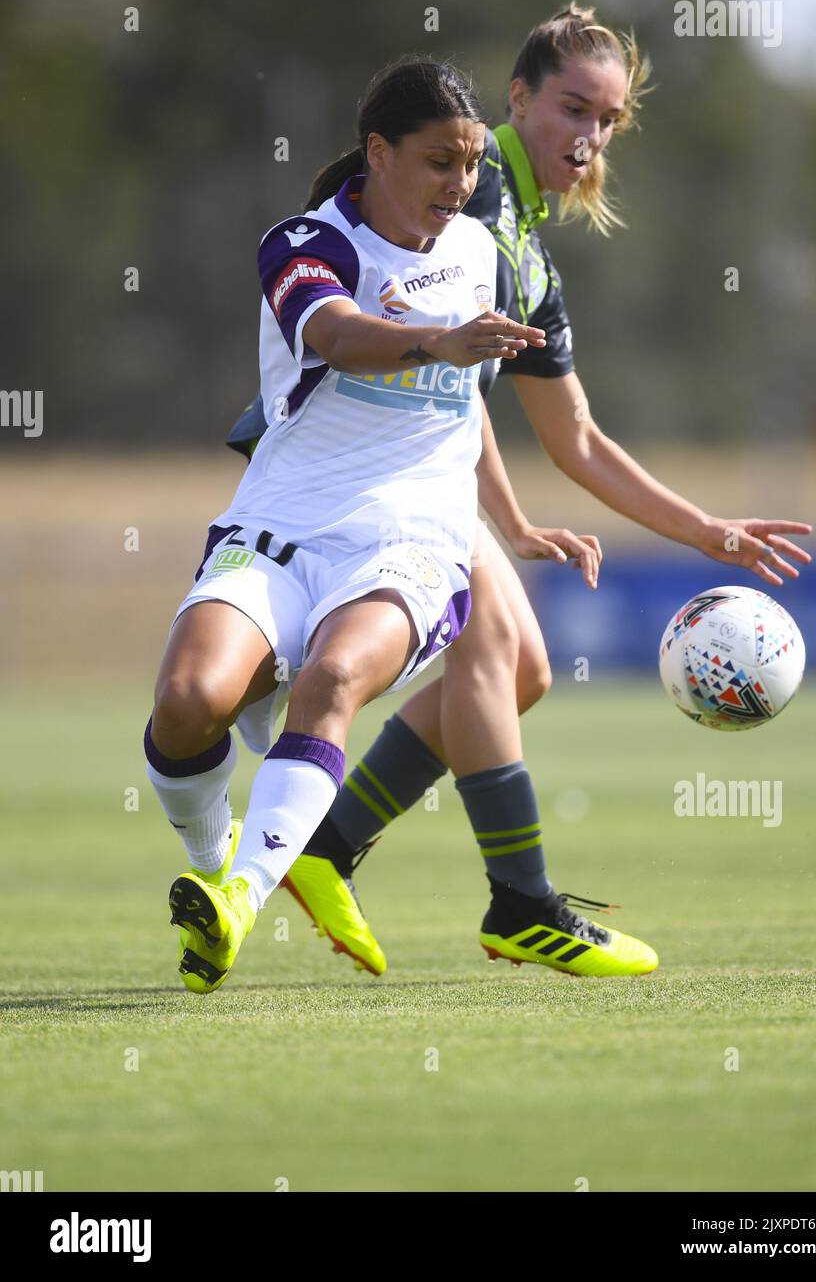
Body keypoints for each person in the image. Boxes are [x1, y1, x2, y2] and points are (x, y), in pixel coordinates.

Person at [228, 5, 811, 981]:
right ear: (516, 100)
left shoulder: (527, 253)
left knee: (517, 673)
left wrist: (703, 531)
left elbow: (570, 436)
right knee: (489, 641)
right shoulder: (476, 184)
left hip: (411, 475)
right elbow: (410, 365)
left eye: (608, 120)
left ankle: (324, 845)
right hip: (345, 476)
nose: (587, 135)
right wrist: (497, 516)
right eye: (572, 107)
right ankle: (522, 903)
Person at [145, 57, 557, 995]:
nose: (459, 185)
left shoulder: (479, 253)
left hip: (412, 541)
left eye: (468, 166)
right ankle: (214, 860)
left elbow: (467, 404)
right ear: (378, 152)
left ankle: (241, 900)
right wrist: (433, 340)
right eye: (438, 162)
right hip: (282, 526)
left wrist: (517, 521)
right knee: (186, 701)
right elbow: (331, 334)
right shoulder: (302, 241)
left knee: (333, 678)